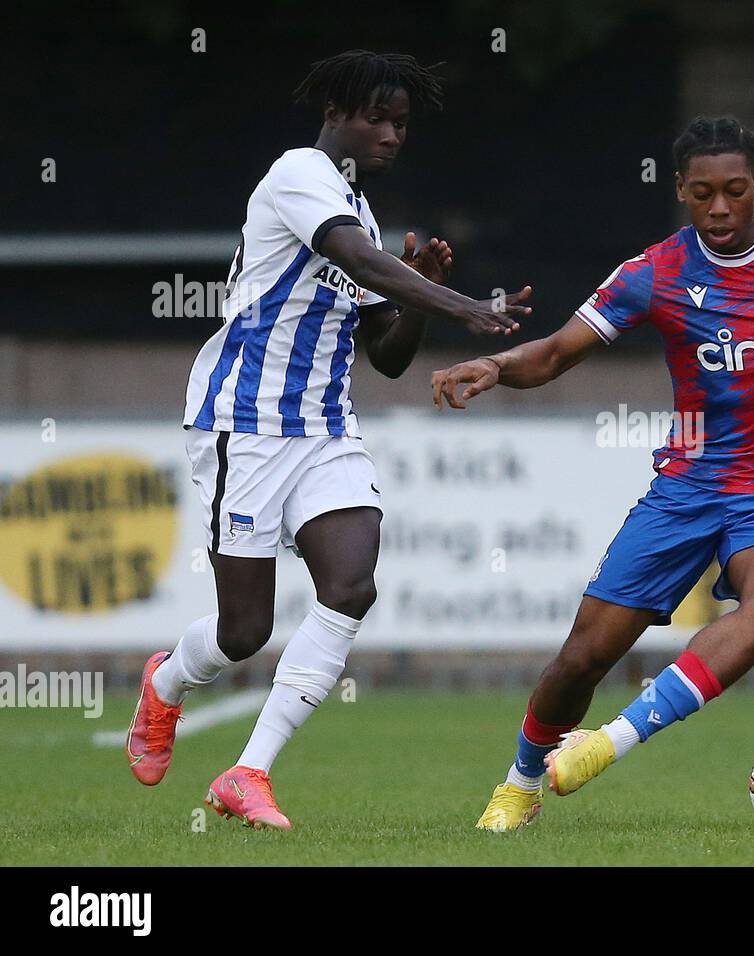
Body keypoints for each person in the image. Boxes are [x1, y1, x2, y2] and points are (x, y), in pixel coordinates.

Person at [429, 116, 754, 831]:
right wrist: (497, 365)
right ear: (682, 191)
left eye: (736, 191)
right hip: (688, 490)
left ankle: (609, 744)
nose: (720, 209)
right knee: (583, 658)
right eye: (704, 194)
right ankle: (520, 783)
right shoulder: (654, 275)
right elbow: (558, 352)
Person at [125, 50, 531, 830]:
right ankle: (168, 684)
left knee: (350, 585)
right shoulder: (298, 176)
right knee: (244, 634)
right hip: (243, 425)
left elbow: (386, 354)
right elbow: (351, 255)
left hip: (324, 428)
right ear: (336, 115)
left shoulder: (365, 217)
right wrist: (458, 305)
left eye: (402, 123)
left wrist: (412, 290)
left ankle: (248, 772)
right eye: (376, 117)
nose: (389, 134)